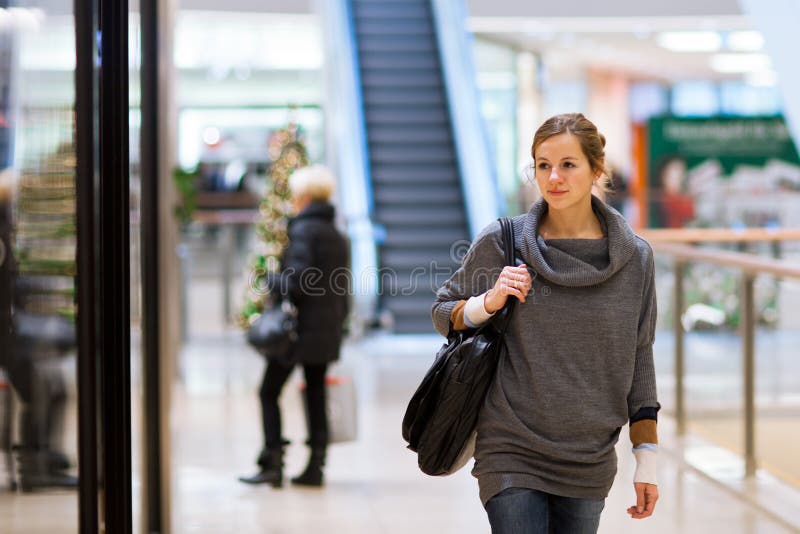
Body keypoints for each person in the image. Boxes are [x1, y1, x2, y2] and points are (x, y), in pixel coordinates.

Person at [432, 113, 659, 533]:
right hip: (511, 445)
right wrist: (489, 301)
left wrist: (646, 456)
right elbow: (444, 313)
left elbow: (639, 354)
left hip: (588, 455)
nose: (553, 177)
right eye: (542, 165)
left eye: (568, 164)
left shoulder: (635, 259)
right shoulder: (504, 242)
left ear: (596, 170)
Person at [239, 164, 350, 488]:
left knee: (268, 391)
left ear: (302, 196)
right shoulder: (337, 233)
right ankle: (316, 466)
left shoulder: (303, 230)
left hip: (297, 331)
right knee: (315, 393)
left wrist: (271, 279)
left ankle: (273, 462)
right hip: (326, 327)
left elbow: (298, 282)